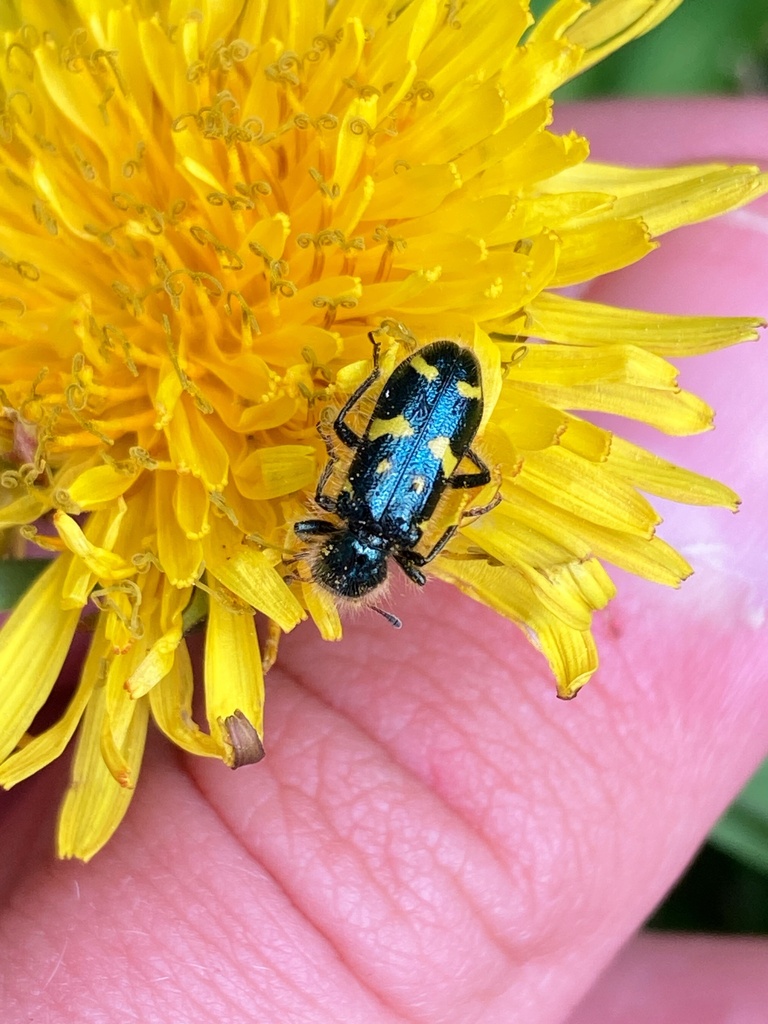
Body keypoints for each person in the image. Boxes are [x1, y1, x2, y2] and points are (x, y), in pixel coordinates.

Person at [1, 100, 766, 1023]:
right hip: (442, 401)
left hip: (428, 392)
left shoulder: (367, 515)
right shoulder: (383, 520)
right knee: (391, 446)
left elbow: (347, 452)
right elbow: (368, 461)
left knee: (370, 439)